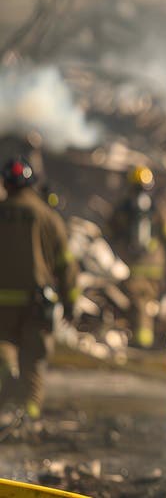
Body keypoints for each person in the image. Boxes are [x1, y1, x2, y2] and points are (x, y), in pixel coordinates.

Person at [0, 156, 79, 421]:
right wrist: (70, 301)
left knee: (3, 347)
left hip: (2, 305)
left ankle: (7, 381)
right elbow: (65, 264)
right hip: (37, 304)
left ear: (6, 184)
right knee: (33, 360)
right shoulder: (48, 216)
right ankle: (29, 415)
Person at [107, 166, 166, 348]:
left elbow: (109, 234)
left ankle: (139, 344)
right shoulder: (160, 209)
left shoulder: (122, 208)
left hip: (129, 265)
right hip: (155, 267)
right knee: (145, 304)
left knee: (136, 304)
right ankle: (144, 344)